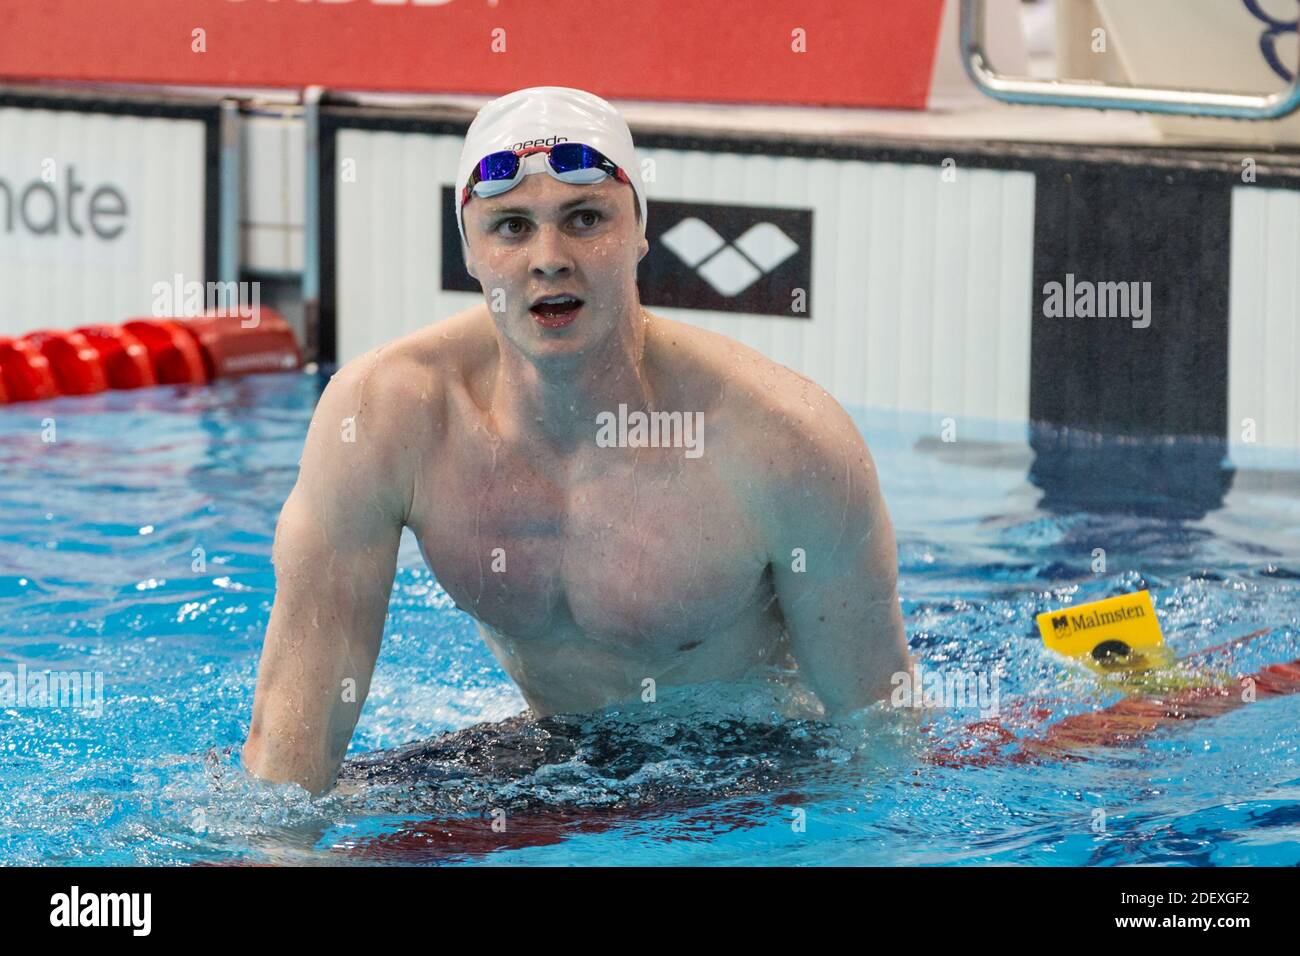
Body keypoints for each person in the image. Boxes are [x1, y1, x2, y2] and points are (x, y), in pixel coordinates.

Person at [242, 86, 911, 796]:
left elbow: (880, 736)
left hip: (757, 782)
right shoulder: (384, 417)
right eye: (511, 227)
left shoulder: (783, 440)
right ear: (469, 247)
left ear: (640, 233)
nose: (549, 258)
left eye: (585, 218)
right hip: (557, 765)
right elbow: (291, 741)